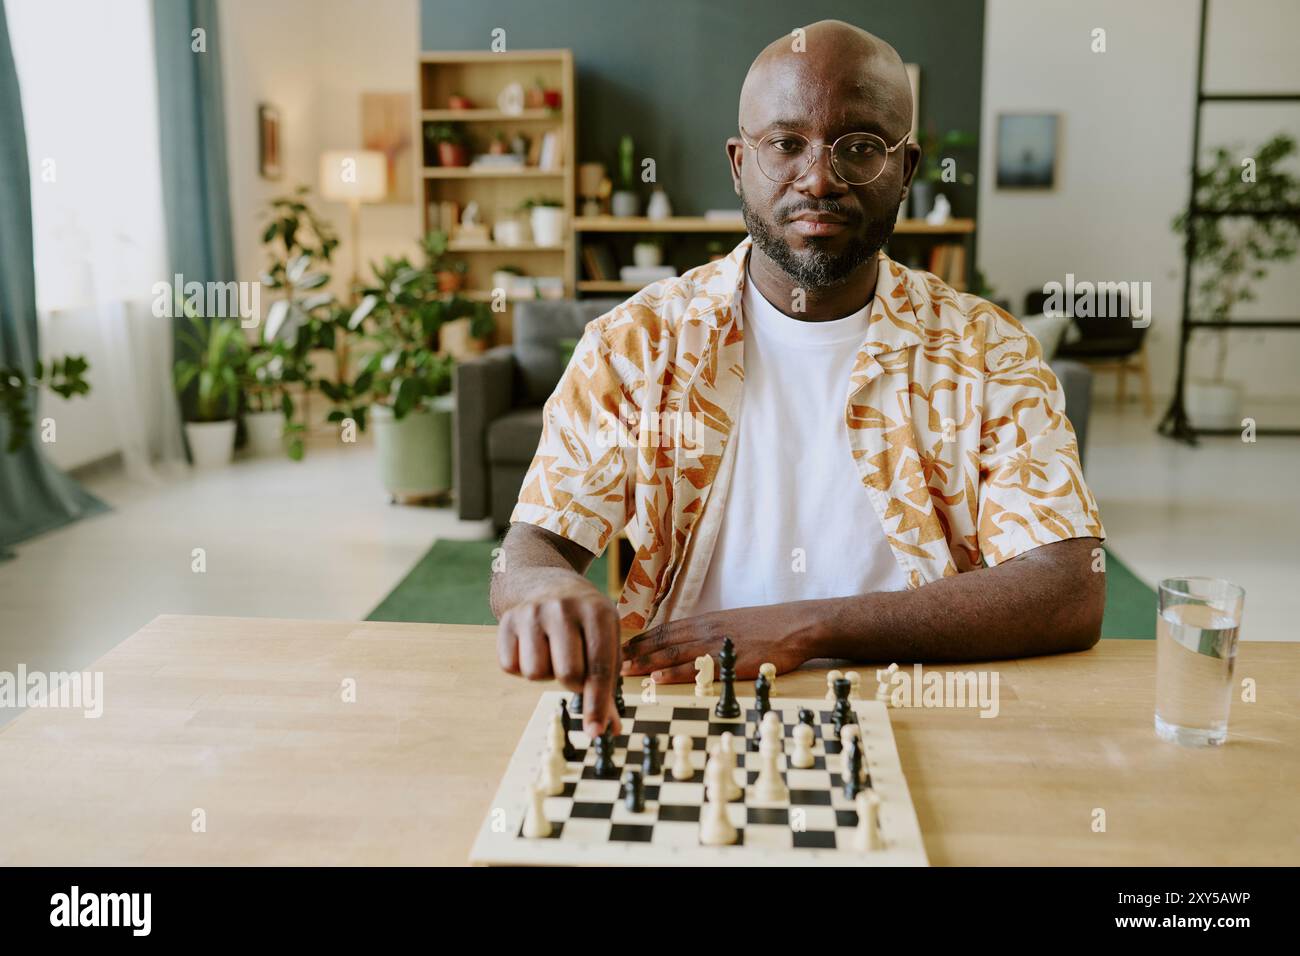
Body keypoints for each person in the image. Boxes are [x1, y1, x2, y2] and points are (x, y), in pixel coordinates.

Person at [490, 20, 1105, 737]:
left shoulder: (987, 351)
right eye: (785, 144)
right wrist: (546, 587)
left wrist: (808, 627)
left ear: (906, 169)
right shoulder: (636, 345)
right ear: (737, 163)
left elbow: (1070, 586)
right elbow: (529, 549)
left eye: (861, 147)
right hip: (691, 716)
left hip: (922, 718)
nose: (819, 179)